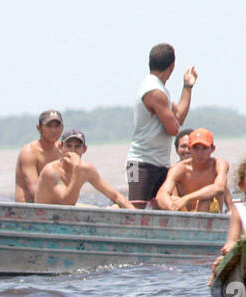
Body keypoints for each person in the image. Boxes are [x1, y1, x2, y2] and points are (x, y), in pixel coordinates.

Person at [124, 43, 197, 206]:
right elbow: (173, 129)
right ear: (172, 67)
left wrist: (187, 87)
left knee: (160, 208)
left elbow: (179, 119)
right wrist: (174, 118)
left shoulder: (161, 90)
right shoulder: (154, 90)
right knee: (136, 208)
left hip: (160, 163)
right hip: (139, 163)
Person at [34, 130, 135, 208]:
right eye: (69, 146)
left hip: (67, 218)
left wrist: (137, 215)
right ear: (61, 148)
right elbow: (67, 204)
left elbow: (115, 196)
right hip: (46, 220)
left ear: (84, 149)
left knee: (116, 207)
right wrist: (77, 171)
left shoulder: (86, 169)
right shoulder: (51, 171)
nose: (73, 151)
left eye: (77, 147)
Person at [154, 128, 231, 212]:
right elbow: (161, 194)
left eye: (204, 148)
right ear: (190, 149)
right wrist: (172, 206)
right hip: (184, 211)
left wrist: (186, 199)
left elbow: (219, 187)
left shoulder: (219, 164)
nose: (200, 153)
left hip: (210, 211)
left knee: (205, 200)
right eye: (195, 148)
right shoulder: (180, 168)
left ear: (212, 149)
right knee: (170, 196)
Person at [15, 110, 64, 203]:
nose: (54, 130)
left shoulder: (62, 149)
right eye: (49, 126)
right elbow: (34, 191)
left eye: (57, 126)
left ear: (62, 127)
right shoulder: (29, 152)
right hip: (29, 207)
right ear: (39, 128)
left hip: (53, 205)